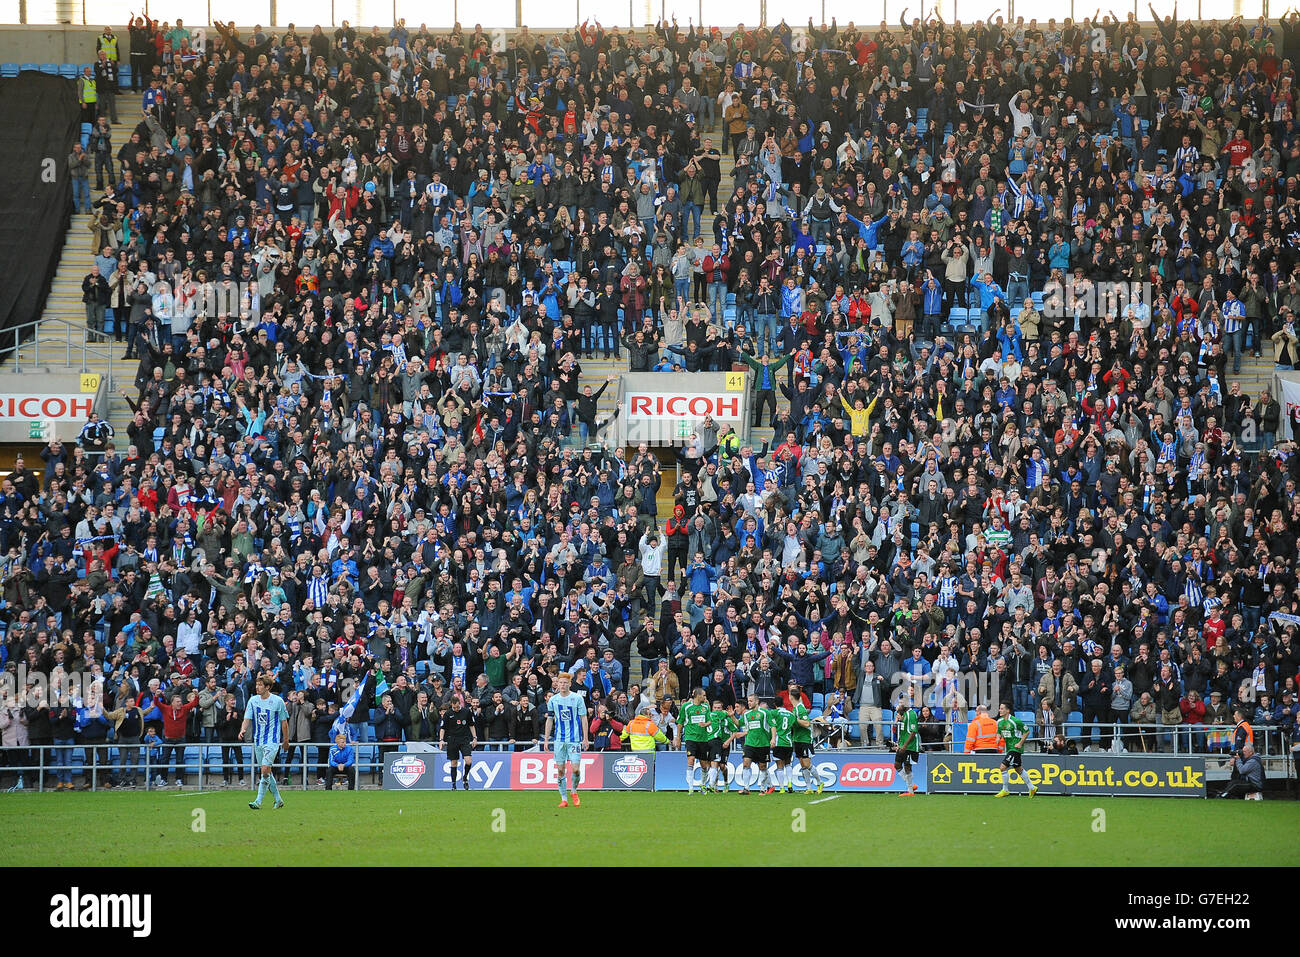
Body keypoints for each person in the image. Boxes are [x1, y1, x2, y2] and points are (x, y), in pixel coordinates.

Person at [239, 675, 289, 810]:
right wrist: (242, 730)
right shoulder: (253, 700)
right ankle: (278, 800)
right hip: (258, 741)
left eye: (260, 685)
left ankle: (258, 801)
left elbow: (284, 722)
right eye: (257, 684)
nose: (257, 687)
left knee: (265, 769)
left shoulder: (278, 701)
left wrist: (285, 740)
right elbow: (247, 718)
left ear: (267, 687)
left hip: (272, 741)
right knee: (266, 771)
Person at [544, 671, 588, 808]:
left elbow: (584, 718)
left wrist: (585, 738)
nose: (562, 685)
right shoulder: (553, 700)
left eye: (565, 683)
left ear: (569, 684)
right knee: (561, 770)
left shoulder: (578, 698)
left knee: (575, 770)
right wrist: (546, 739)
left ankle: (574, 791)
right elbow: (550, 720)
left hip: (574, 739)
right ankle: (564, 799)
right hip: (559, 740)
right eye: (560, 682)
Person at [994, 702, 1039, 798]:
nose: (1000, 710)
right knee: (1018, 769)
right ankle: (1032, 788)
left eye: (1002, 709)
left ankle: (1005, 790)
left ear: (1007, 710)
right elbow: (999, 731)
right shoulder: (1000, 721)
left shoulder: (1015, 721)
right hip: (1009, 748)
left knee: (1003, 767)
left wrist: (1020, 743)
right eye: (1000, 708)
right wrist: (998, 738)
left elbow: (1026, 731)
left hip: (1015, 748)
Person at [439, 691, 477, 791]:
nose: (455, 709)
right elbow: (443, 728)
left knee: (468, 761)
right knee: (454, 762)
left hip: (464, 739)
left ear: (459, 703)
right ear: (451, 705)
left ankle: (465, 777)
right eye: (453, 707)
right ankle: (454, 784)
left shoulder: (466, 712)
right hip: (452, 739)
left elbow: (471, 725)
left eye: (457, 707)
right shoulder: (448, 714)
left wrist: (475, 738)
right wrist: (441, 740)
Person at [738, 692, 774, 795]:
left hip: (763, 743)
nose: (749, 703)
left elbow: (773, 726)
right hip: (749, 743)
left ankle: (763, 788)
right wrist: (732, 716)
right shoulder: (746, 714)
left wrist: (773, 739)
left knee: (762, 767)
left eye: (751, 701)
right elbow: (739, 723)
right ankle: (746, 788)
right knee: (746, 764)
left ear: (756, 701)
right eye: (748, 701)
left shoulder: (765, 712)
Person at [790, 682, 822, 794]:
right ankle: (809, 788)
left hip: (805, 739)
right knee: (803, 764)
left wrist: (796, 720)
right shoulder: (795, 709)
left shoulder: (800, 709)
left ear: (791, 697)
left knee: (807, 764)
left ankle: (819, 781)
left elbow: (807, 723)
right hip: (797, 739)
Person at [679, 686, 713, 794]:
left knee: (704, 765)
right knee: (691, 760)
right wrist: (678, 737)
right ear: (698, 696)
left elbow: (710, 721)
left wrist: (705, 724)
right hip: (690, 738)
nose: (705, 697)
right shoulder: (686, 707)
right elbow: (680, 722)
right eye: (703, 695)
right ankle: (690, 787)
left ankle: (702, 784)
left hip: (703, 739)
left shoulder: (705, 707)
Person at [708, 699, 740, 793]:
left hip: (725, 744)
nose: (717, 710)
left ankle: (726, 782)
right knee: (714, 764)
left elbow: (735, 731)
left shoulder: (727, 719)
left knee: (722, 766)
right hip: (715, 743)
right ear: (712, 708)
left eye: (719, 708)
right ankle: (715, 786)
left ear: (722, 709)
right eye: (715, 708)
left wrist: (728, 741)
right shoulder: (710, 717)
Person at [892, 699, 922, 796]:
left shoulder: (911, 714)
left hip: (910, 746)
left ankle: (910, 791)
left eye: (901, 703)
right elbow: (903, 731)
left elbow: (913, 732)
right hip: (903, 744)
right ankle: (911, 785)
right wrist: (899, 744)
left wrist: (904, 746)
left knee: (907, 766)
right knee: (897, 765)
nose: (899, 705)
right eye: (899, 703)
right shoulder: (903, 714)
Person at [768, 697, 797, 793]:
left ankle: (781, 788)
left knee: (779, 766)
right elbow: (793, 726)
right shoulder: (790, 714)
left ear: (774, 704)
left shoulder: (774, 713)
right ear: (783, 703)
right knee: (788, 763)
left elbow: (771, 724)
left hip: (778, 741)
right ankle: (790, 783)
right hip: (788, 743)